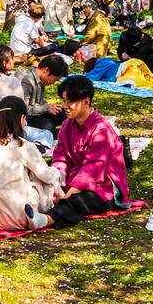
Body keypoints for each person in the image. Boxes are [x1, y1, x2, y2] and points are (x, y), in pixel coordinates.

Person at [25, 75, 129, 230]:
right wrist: (57, 183)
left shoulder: (101, 130)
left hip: (103, 186)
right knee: (39, 171)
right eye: (64, 100)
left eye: (70, 101)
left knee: (78, 200)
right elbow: (60, 157)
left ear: (86, 102)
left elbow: (93, 169)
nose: (65, 106)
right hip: (74, 177)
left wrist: (70, 192)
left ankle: (47, 219)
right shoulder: (67, 125)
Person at [0, 97, 62, 231]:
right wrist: (56, 172)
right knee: (44, 177)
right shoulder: (24, 146)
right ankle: (43, 215)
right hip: (15, 215)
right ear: (21, 118)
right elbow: (47, 176)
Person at [16, 53, 68, 136]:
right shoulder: (27, 81)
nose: (53, 83)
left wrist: (50, 107)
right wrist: (47, 108)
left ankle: (65, 133)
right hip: (24, 119)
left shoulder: (40, 81)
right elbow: (24, 110)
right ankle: (60, 137)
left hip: (35, 114)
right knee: (48, 126)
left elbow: (39, 102)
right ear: (46, 70)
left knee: (63, 113)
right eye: (54, 80)